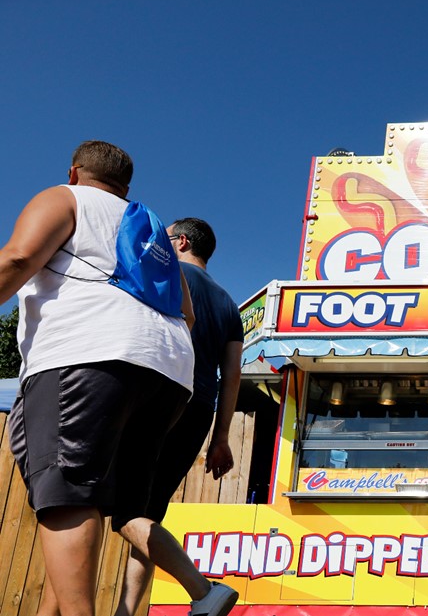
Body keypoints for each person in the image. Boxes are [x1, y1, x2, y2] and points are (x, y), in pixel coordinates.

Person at [0, 141, 237, 616]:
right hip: (169, 376)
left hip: (88, 355)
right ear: (127, 186)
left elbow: (20, 259)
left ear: (74, 171)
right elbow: (186, 316)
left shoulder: (67, 198)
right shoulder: (149, 230)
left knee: (66, 492)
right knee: (109, 505)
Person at [112, 218, 245, 616]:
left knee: (124, 513)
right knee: (147, 517)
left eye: (165, 238)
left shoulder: (162, 271)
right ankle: (126, 612)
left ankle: (203, 590)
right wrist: (221, 439)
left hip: (157, 397)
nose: (160, 244)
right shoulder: (228, 304)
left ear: (181, 242)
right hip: (200, 409)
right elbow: (232, 376)